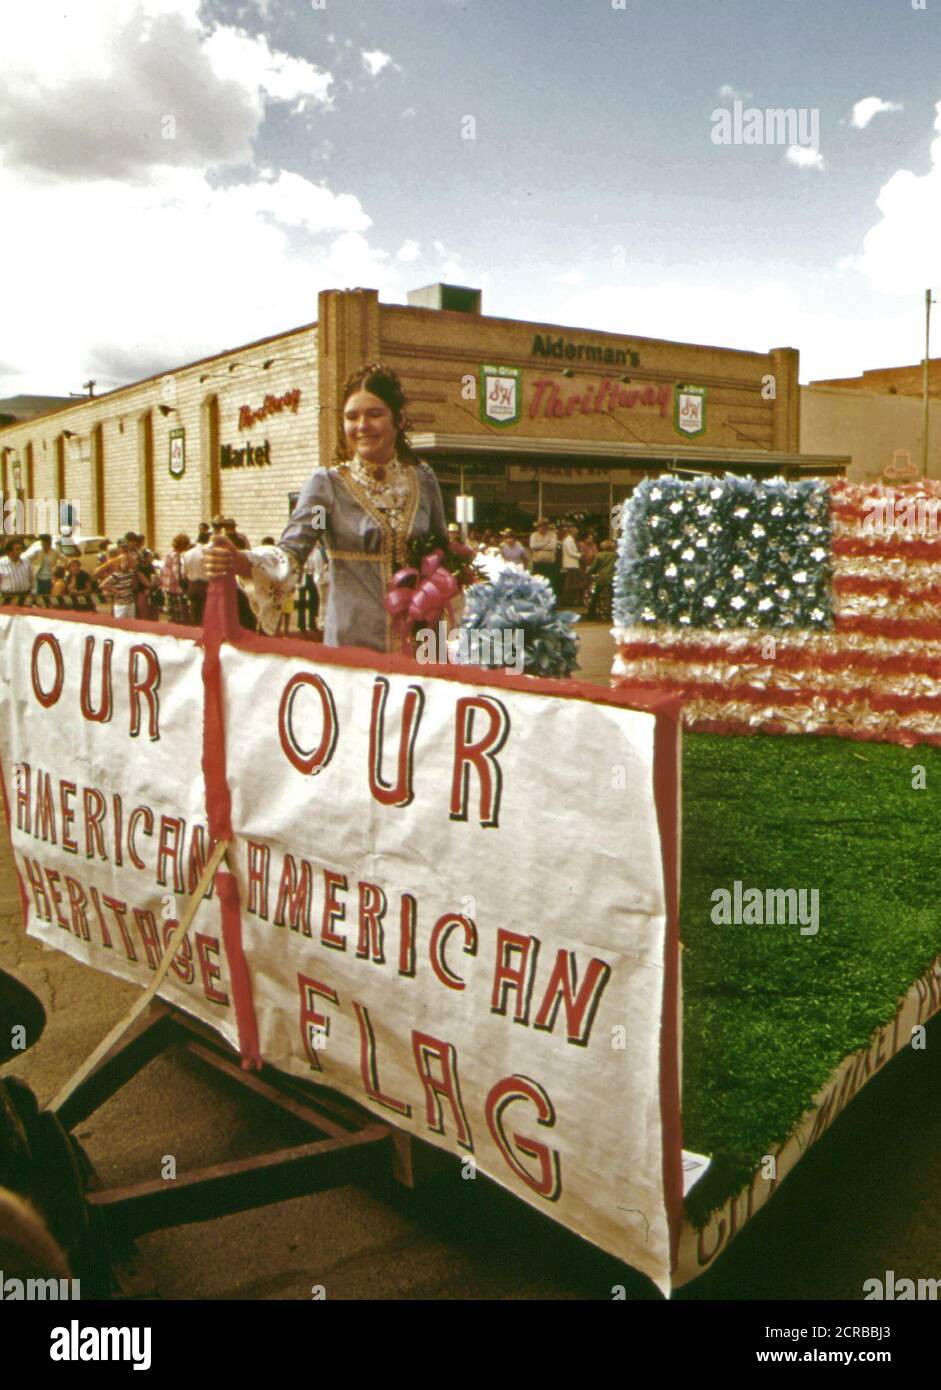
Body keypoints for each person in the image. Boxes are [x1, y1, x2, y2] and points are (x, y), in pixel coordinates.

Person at [203, 363, 447, 652]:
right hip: (353, 647)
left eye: (375, 414)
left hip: (421, 645)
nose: (362, 426)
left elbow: (444, 559)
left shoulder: (423, 480)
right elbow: (295, 550)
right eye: (351, 417)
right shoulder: (328, 489)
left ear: (399, 419)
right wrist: (242, 562)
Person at [159, 534, 192, 624]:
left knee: (170, 610)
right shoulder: (176, 555)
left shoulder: (170, 553)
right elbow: (176, 572)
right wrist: (180, 586)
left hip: (166, 585)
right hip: (173, 586)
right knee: (177, 612)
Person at [529, 517, 558, 593]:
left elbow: (552, 547)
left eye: (544, 526)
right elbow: (532, 546)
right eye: (540, 526)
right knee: (537, 583)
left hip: (549, 564)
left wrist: (539, 547)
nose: (542, 528)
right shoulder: (534, 535)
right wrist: (545, 543)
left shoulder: (553, 535)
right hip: (538, 564)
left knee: (550, 583)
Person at [0, 539, 33, 604]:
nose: (20, 551)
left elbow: (31, 578)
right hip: (8, 597)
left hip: (25, 596)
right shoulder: (1, 564)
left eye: (20, 549)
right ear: (9, 552)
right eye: (17, 549)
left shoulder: (26, 562)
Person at [560, 524, 583, 605]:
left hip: (573, 564)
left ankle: (572, 600)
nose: (576, 533)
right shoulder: (567, 541)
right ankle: (565, 601)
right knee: (570, 584)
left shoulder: (571, 540)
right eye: (575, 531)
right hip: (570, 565)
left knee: (573, 583)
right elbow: (570, 553)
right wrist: (580, 555)